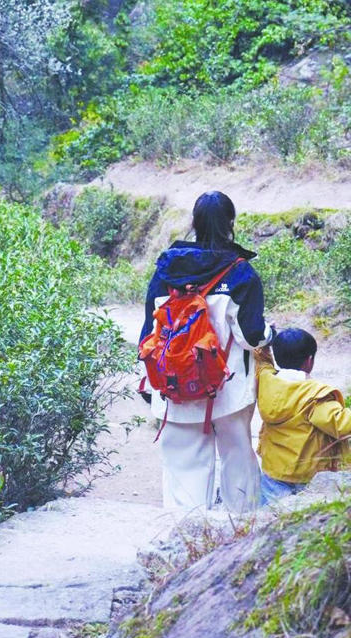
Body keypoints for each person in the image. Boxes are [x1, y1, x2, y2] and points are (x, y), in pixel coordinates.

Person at [141, 191, 274, 513]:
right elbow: (251, 337)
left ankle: (185, 537)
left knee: (183, 466)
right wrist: (271, 334)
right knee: (237, 455)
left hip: (174, 386)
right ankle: (240, 535)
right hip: (228, 387)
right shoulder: (240, 273)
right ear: (231, 222)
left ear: (194, 223)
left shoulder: (167, 270)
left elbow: (149, 332)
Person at [257, 328, 351, 504]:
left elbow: (261, 362)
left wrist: (264, 342)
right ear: (309, 360)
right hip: (305, 476)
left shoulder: (266, 381)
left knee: (273, 512)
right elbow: (341, 424)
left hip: (273, 472)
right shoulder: (314, 396)